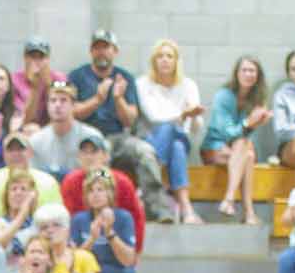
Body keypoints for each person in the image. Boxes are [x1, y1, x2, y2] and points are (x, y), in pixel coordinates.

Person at [65, 31, 164, 221]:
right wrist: (98, 98)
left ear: (115, 51)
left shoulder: (125, 77)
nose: (101, 52)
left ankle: (157, 209)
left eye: (106, 47)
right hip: (87, 138)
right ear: (91, 51)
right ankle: (96, 214)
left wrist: (118, 98)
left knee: (145, 151)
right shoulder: (77, 76)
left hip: (118, 136)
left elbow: (130, 120)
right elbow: (72, 111)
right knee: (102, 154)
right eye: (97, 47)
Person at [137, 40, 204, 225]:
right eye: (160, 56)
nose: (165, 60)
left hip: (178, 139)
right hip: (149, 143)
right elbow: (154, 117)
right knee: (175, 143)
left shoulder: (188, 85)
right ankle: (186, 207)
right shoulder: (143, 84)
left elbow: (196, 127)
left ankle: (150, 187)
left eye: (169, 56)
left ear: (176, 61)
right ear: (153, 61)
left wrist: (194, 116)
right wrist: (183, 114)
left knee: (176, 138)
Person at [202, 56, 270, 225]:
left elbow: (244, 136)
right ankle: (245, 210)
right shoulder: (223, 96)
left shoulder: (256, 99)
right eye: (244, 70)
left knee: (248, 154)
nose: (248, 74)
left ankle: (232, 203)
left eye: (252, 71)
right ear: (237, 74)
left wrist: (259, 122)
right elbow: (227, 133)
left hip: (237, 151)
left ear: (258, 76)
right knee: (246, 150)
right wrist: (249, 122)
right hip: (213, 147)